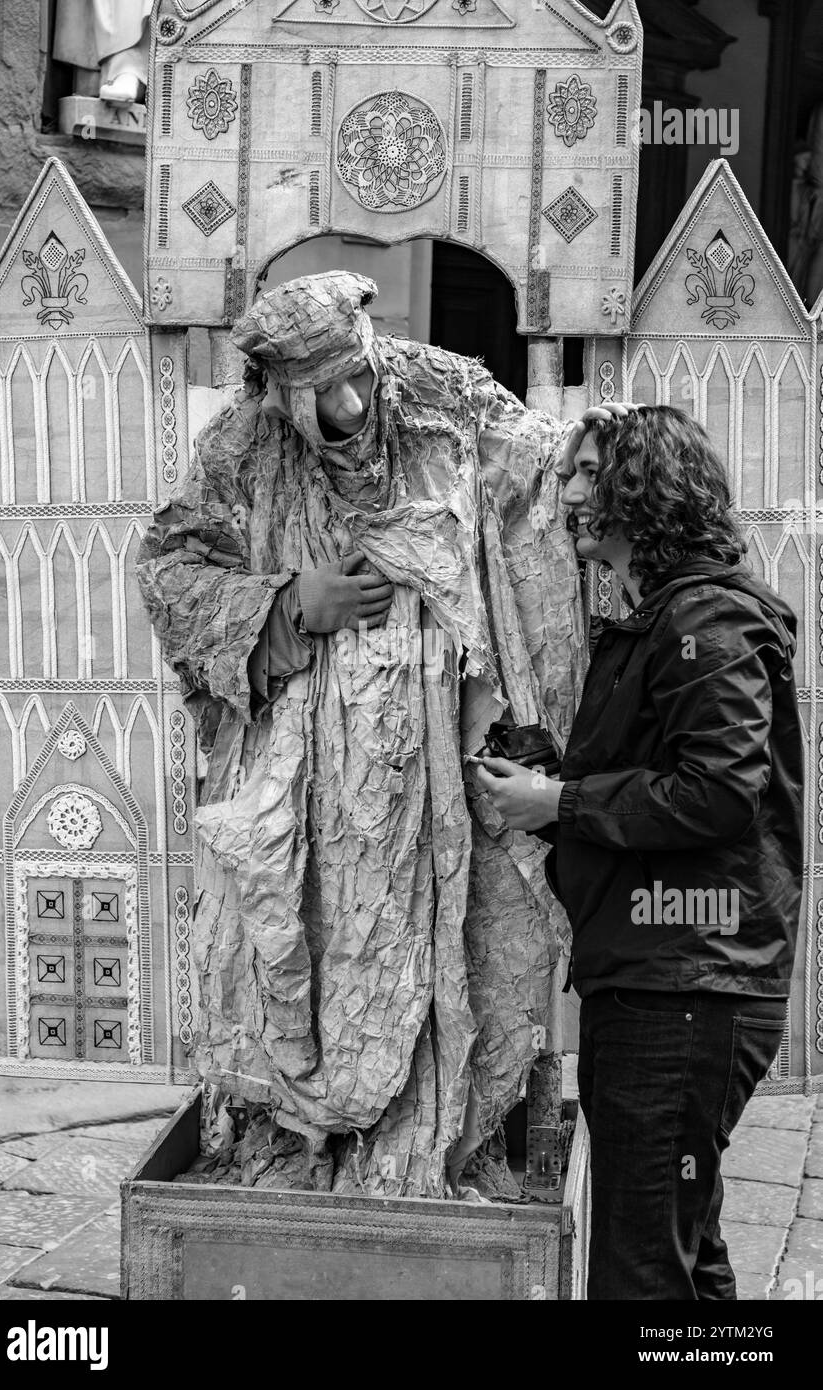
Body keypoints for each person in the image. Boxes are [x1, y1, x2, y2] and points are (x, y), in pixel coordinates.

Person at [136, 269, 595, 1198]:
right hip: (309, 768)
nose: (351, 403)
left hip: (438, 749)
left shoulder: (441, 391)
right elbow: (170, 568)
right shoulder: (241, 446)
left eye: (358, 375)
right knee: (310, 939)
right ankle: (308, 1137)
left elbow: (544, 471)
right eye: (324, 393)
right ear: (281, 395)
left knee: (448, 941)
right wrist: (287, 605)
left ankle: (444, 1142)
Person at [476, 404, 804, 1298]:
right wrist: (548, 791)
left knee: (643, 1266)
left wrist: (562, 798)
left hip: (687, 985)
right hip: (670, 976)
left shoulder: (708, 624)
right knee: (679, 1251)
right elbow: (657, 791)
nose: (570, 495)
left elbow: (718, 795)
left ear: (644, 488)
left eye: (589, 475)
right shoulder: (661, 620)